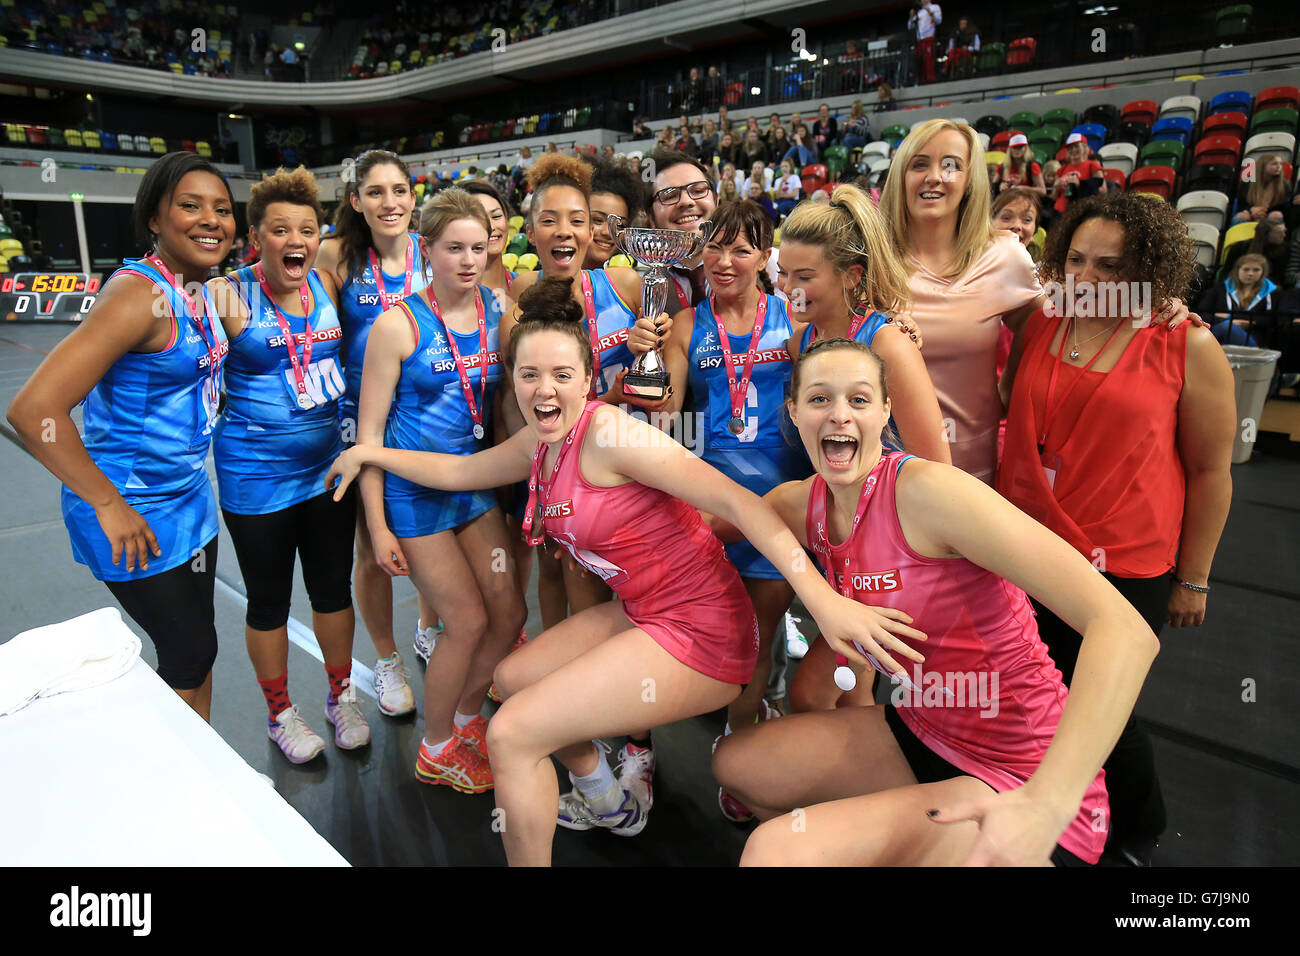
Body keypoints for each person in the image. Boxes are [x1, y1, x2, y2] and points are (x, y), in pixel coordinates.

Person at [324, 279, 927, 865]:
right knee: (512, 678)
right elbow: (461, 471)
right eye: (529, 375)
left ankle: (599, 803)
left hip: (702, 627)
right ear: (513, 380)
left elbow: (740, 504)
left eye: (562, 375)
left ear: (590, 381)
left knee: (510, 734)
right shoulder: (538, 443)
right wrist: (369, 451)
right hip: (645, 611)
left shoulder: (609, 434)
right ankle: (609, 800)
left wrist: (822, 601)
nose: (544, 390)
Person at [711, 337, 1157, 867]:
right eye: (819, 399)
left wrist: (1047, 801)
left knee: (774, 853)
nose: (839, 416)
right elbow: (716, 519)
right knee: (736, 764)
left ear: (884, 412)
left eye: (858, 399)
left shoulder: (929, 494)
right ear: (794, 412)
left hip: (1024, 774)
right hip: (925, 730)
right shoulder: (798, 502)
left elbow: (1127, 630)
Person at [998, 191, 1236, 864]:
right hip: (1027, 545)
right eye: (1074, 260)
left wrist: (1195, 578)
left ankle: (1137, 828)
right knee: (1037, 683)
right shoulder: (1043, 321)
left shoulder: (1186, 343)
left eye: (1110, 265)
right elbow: (1011, 406)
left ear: (1147, 269)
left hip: (1126, 565)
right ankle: (1050, 803)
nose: (1086, 278)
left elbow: (1212, 472)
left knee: (1098, 703)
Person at [7, 152, 234, 721]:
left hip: (187, 500)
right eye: (190, 205)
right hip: (132, 509)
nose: (211, 219)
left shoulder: (203, 290)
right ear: (154, 219)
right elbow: (34, 409)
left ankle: (200, 770)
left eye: (223, 209)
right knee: (188, 655)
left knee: (196, 652)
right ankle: (177, 784)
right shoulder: (136, 297)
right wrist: (107, 502)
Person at [357, 187, 527, 793]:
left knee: (510, 611)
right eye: (453, 248)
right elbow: (369, 438)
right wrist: (378, 528)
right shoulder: (395, 325)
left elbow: (510, 399)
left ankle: (461, 722)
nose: (467, 260)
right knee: (465, 619)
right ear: (425, 248)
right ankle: (434, 749)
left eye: (478, 248)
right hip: (413, 494)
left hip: (471, 482)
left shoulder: (499, 309)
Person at [653, 201, 808, 819]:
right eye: (714, 248)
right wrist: (648, 362)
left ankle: (740, 749)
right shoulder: (687, 324)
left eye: (741, 249)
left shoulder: (792, 318)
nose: (725, 261)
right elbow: (664, 415)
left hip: (778, 503)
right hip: (711, 504)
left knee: (761, 634)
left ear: (764, 256)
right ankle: (730, 720)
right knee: (722, 628)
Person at [209, 167, 367, 762]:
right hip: (255, 476)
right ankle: (279, 714)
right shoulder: (227, 294)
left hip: (326, 467)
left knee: (332, 590)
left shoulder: (325, 281)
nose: (294, 239)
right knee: (269, 600)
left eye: (307, 228)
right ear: (257, 236)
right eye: (280, 229)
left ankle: (340, 697)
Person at [776, 185, 948, 710]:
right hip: (840, 541)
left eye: (804, 277)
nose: (789, 289)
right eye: (783, 274)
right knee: (854, 692)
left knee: (813, 696)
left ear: (851, 276)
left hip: (892, 550)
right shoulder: (804, 340)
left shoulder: (887, 342)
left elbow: (938, 470)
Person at [315, 149, 428, 714]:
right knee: (373, 546)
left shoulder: (431, 252)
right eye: (376, 192)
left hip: (430, 419)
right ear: (356, 201)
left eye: (400, 190)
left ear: (414, 196)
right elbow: (286, 300)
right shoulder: (337, 255)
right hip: (361, 423)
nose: (390, 202)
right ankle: (386, 659)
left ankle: (429, 626)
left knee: (433, 534)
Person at [1196, 252, 1278, 345]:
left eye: (1256, 270)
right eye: (1246, 269)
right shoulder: (1219, 289)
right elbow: (1202, 314)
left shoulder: (1272, 292)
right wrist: (1229, 320)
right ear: (1237, 270)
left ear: (1263, 272)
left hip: (1254, 338)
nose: (1250, 273)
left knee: (1228, 327)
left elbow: (1272, 319)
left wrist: (1228, 317)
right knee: (1226, 327)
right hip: (1220, 333)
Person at [581, 158, 645, 271]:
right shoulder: (544, 281)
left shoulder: (626, 284)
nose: (607, 232)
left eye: (619, 225)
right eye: (598, 220)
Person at [1052, 132, 1104, 215]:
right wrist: (1056, 187)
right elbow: (1054, 197)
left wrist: (1079, 183)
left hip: (1081, 211)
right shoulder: (1061, 170)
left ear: (1084, 147)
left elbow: (1102, 191)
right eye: (1070, 148)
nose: (1073, 150)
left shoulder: (1093, 165)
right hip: (1060, 212)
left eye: (1076, 146)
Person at [1232, 154, 1293, 224]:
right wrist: (1251, 210)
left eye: (1280, 164)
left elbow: (1286, 209)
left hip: (1270, 216)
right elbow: (1240, 206)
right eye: (1274, 164)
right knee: (1241, 216)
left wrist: (1263, 212)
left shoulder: (1285, 185)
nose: (1279, 166)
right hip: (1251, 214)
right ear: (1263, 166)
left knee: (1276, 215)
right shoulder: (1247, 183)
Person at [908, 1, 942, 85]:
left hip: (929, 38)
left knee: (928, 60)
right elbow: (910, 26)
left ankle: (930, 80)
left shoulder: (935, 7)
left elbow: (939, 20)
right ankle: (921, 81)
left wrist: (930, 13)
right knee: (919, 61)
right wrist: (911, 17)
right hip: (919, 40)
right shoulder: (919, 12)